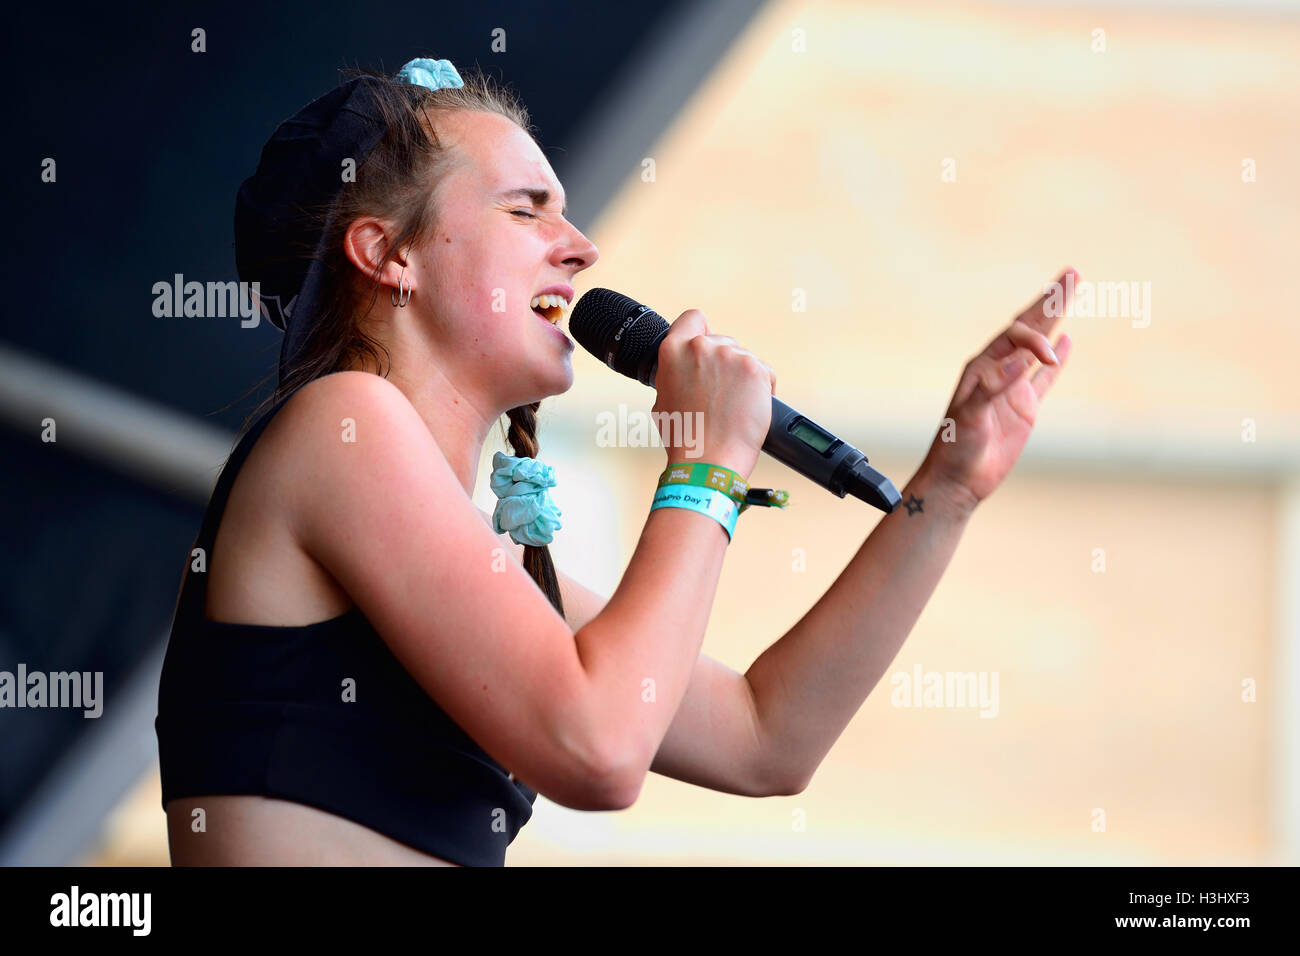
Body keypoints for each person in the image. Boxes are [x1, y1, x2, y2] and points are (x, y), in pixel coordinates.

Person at [155, 57, 1074, 867]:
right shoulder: (341, 423)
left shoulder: (482, 557)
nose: (582, 247)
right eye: (526, 210)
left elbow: (767, 739)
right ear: (387, 252)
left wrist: (943, 493)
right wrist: (707, 464)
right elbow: (598, 747)